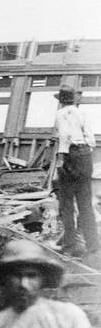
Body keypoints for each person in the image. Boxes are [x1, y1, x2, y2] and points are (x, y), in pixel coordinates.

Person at [52, 87, 98, 258]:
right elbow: (91, 139)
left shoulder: (62, 113)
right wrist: (84, 152)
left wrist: (63, 159)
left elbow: (64, 136)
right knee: (85, 203)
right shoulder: (81, 113)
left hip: (71, 155)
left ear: (61, 100)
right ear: (73, 99)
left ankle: (69, 244)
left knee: (67, 203)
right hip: (86, 156)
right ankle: (93, 245)